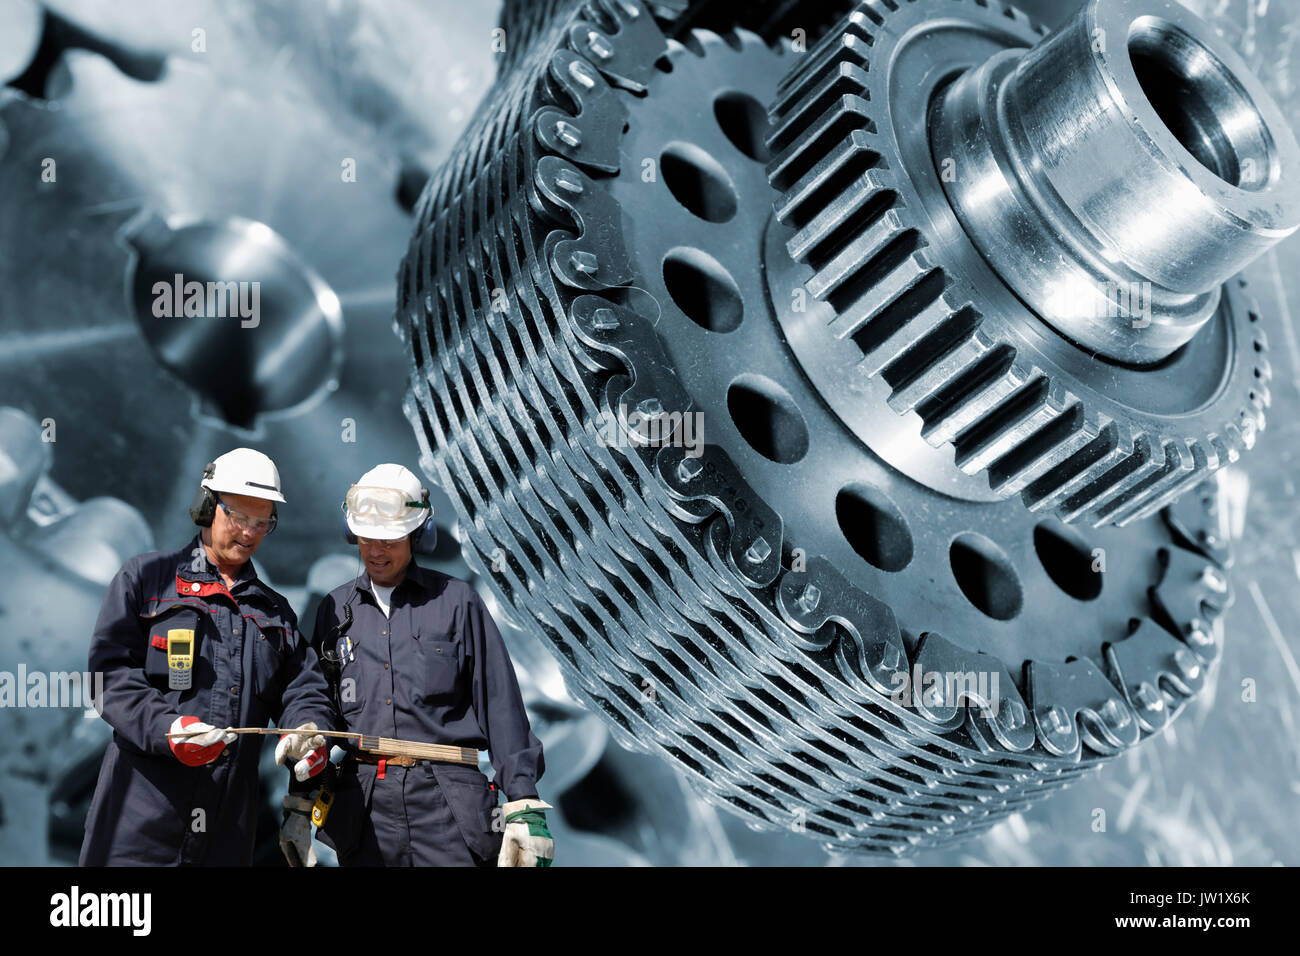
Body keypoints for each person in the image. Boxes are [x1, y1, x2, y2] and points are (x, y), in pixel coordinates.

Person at [79, 448, 334, 866]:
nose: (249, 533)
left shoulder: (275, 614)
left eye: (262, 521)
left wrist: (308, 730)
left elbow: (303, 689)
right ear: (207, 507)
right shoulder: (146, 580)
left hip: (224, 838)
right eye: (238, 517)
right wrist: (167, 728)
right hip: (135, 829)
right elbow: (108, 677)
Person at [304, 463, 553, 867]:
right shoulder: (334, 610)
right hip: (365, 811)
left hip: (450, 808)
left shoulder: (457, 602)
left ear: (417, 534)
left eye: (388, 540)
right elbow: (316, 706)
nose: (375, 551)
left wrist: (524, 802)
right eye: (366, 539)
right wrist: (299, 801)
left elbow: (499, 701)